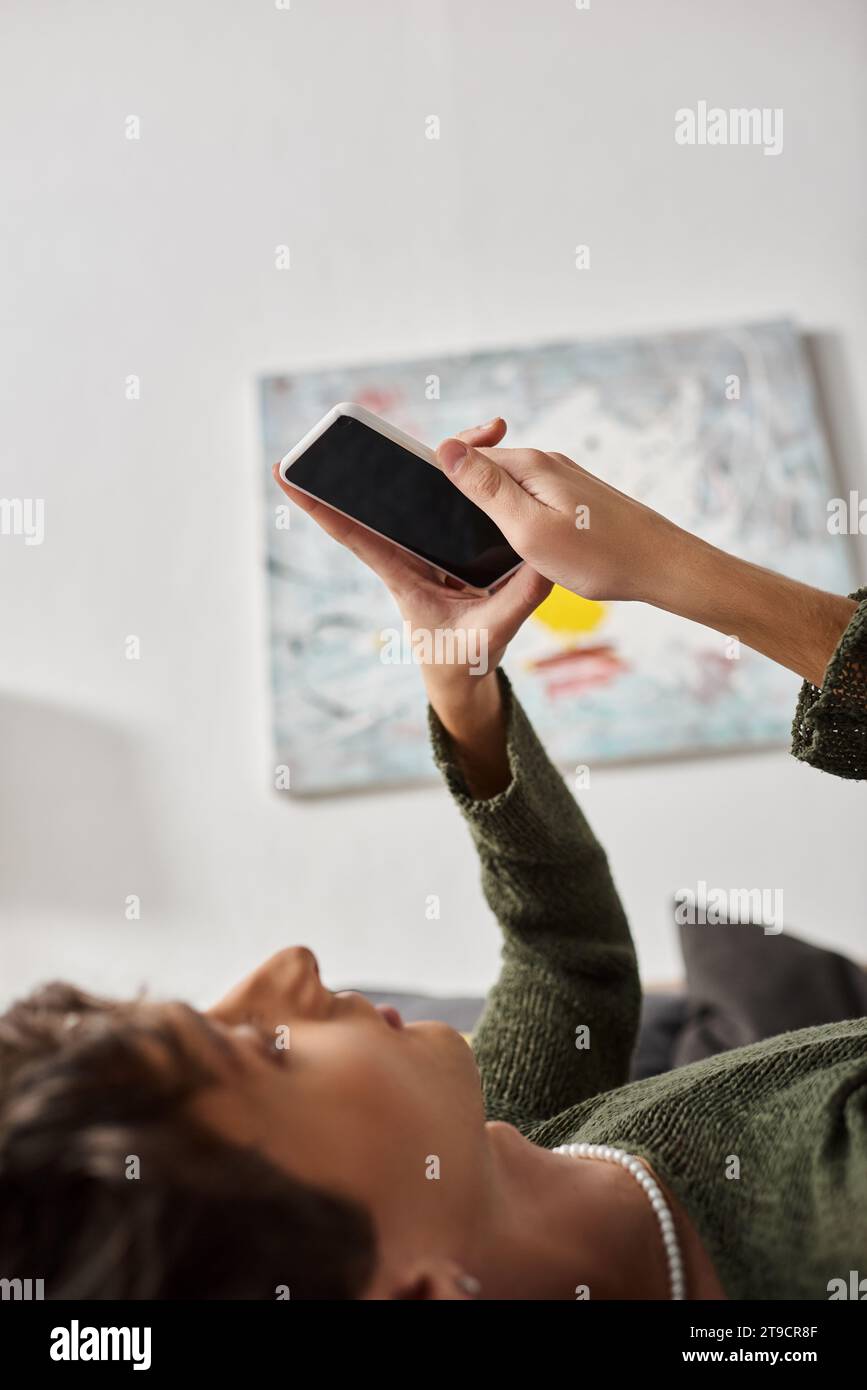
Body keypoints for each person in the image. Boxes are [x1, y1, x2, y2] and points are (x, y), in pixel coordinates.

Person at [1, 420, 864, 1299]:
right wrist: (676, 571)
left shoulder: (488, 1158)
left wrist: (460, 684)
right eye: (260, 1051)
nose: (285, 967)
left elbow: (566, 952)